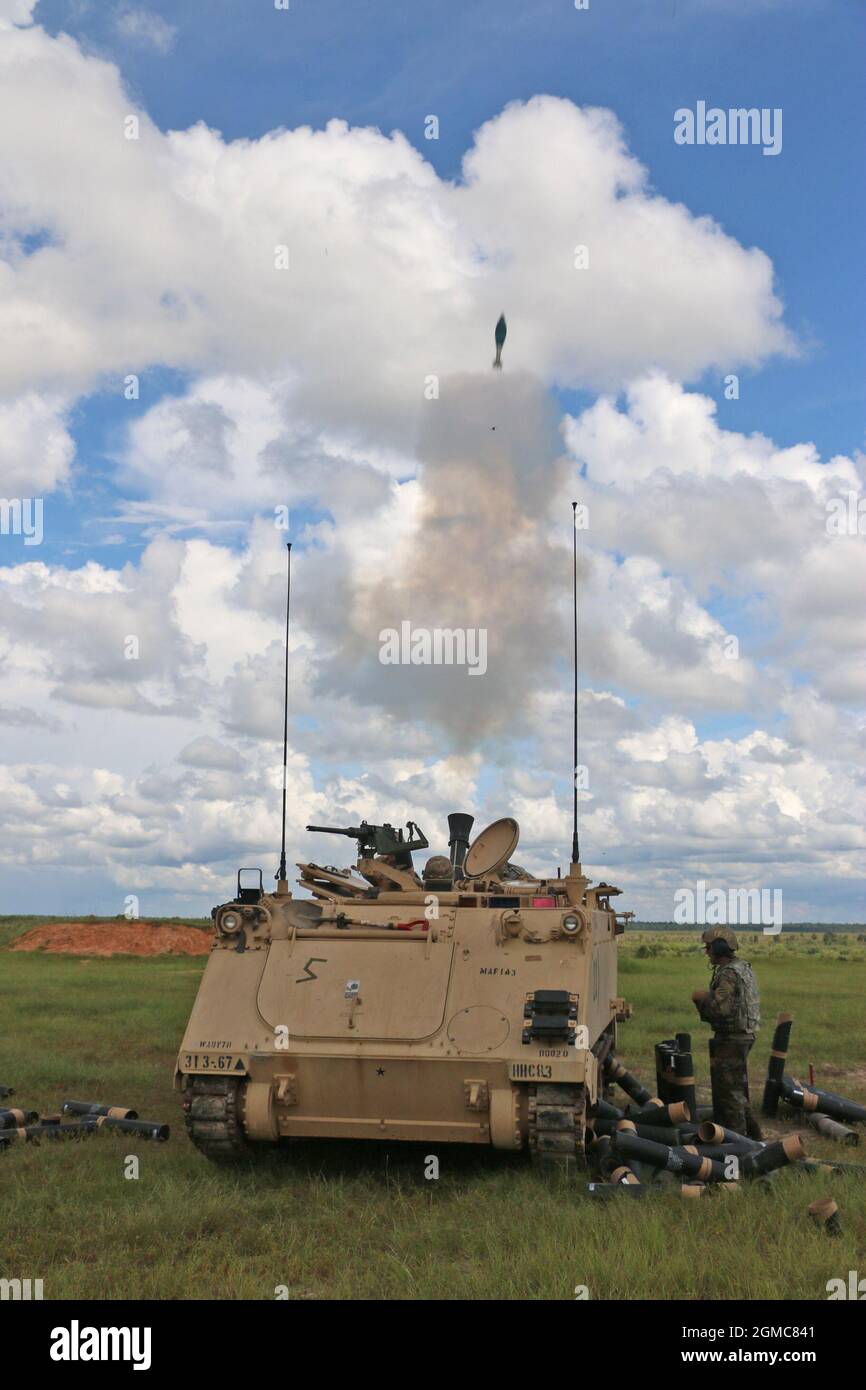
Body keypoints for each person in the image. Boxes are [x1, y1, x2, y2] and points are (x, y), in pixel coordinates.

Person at [691, 927, 763, 1140]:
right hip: (742, 1035)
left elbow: (719, 1010)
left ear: (719, 948)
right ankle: (756, 1139)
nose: (707, 952)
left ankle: (738, 1145)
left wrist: (701, 1000)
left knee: (729, 1095)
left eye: (709, 947)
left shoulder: (728, 974)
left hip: (733, 1038)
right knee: (735, 1090)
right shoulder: (741, 967)